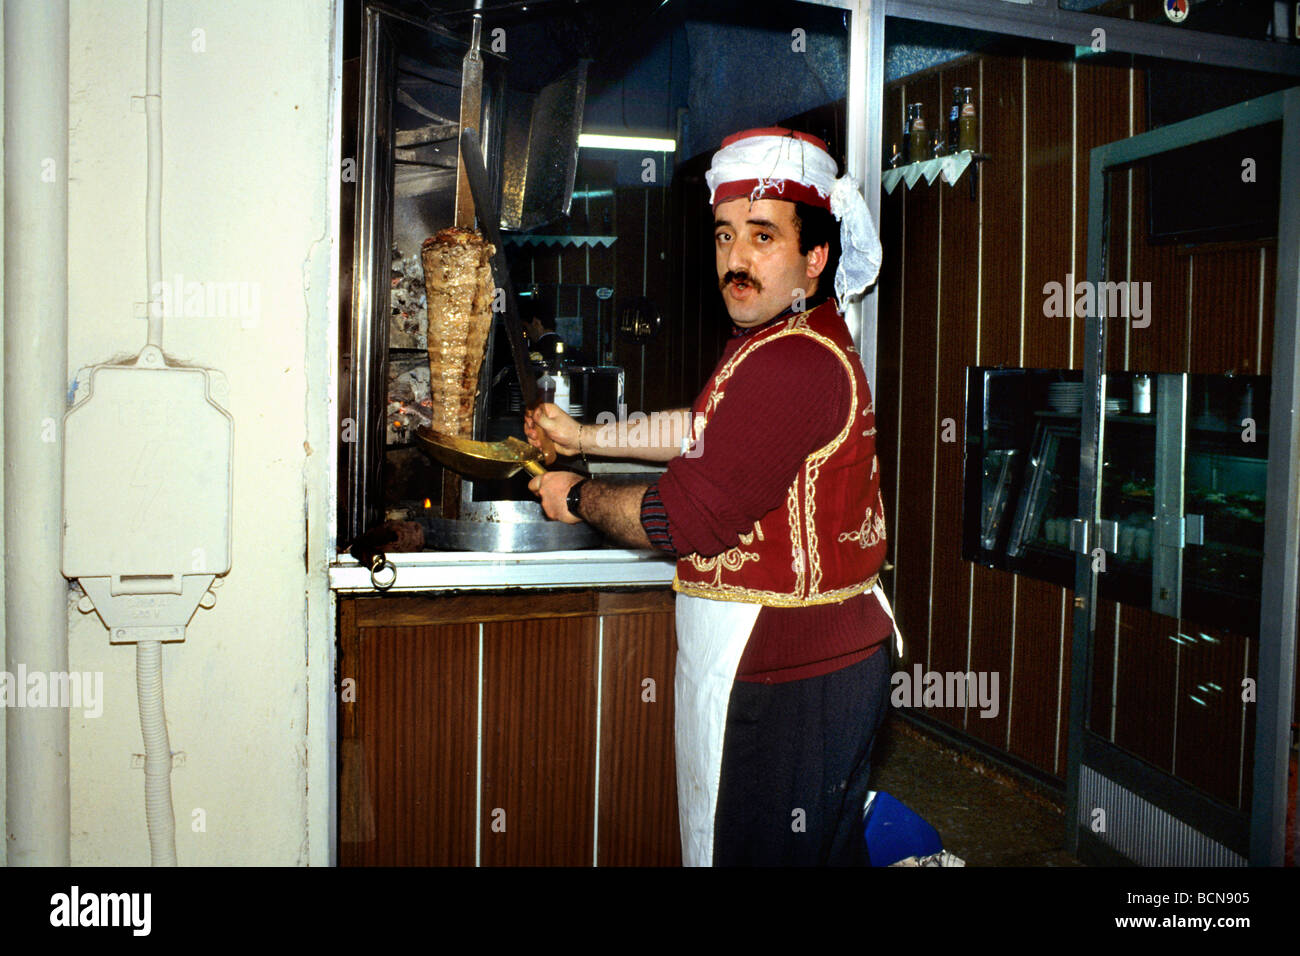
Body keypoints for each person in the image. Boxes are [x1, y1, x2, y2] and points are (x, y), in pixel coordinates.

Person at [525, 127, 897, 866]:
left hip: (786, 673)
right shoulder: (783, 339)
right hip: (812, 662)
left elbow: (680, 515)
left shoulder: (792, 361)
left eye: (763, 237)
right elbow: (704, 429)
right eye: (726, 235)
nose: (736, 259)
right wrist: (584, 435)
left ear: (816, 257)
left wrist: (578, 497)